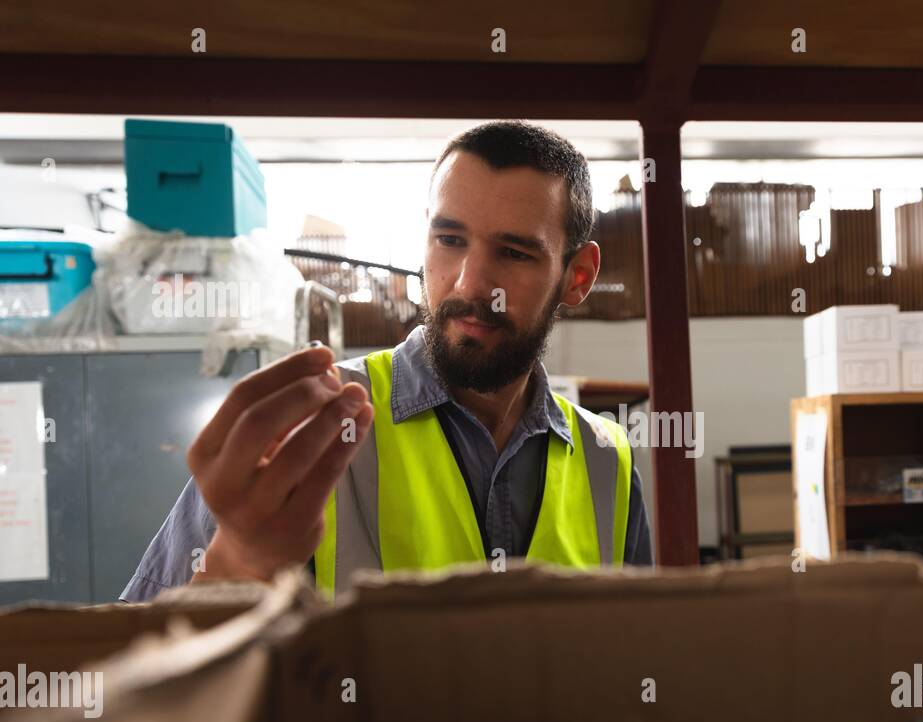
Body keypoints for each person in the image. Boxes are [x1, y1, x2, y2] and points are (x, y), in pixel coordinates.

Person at [121, 121, 652, 602]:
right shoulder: (308, 428)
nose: (470, 283)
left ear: (577, 276)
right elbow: (145, 671)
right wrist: (236, 562)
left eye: (514, 253)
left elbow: (629, 674)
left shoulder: (608, 462)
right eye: (449, 239)